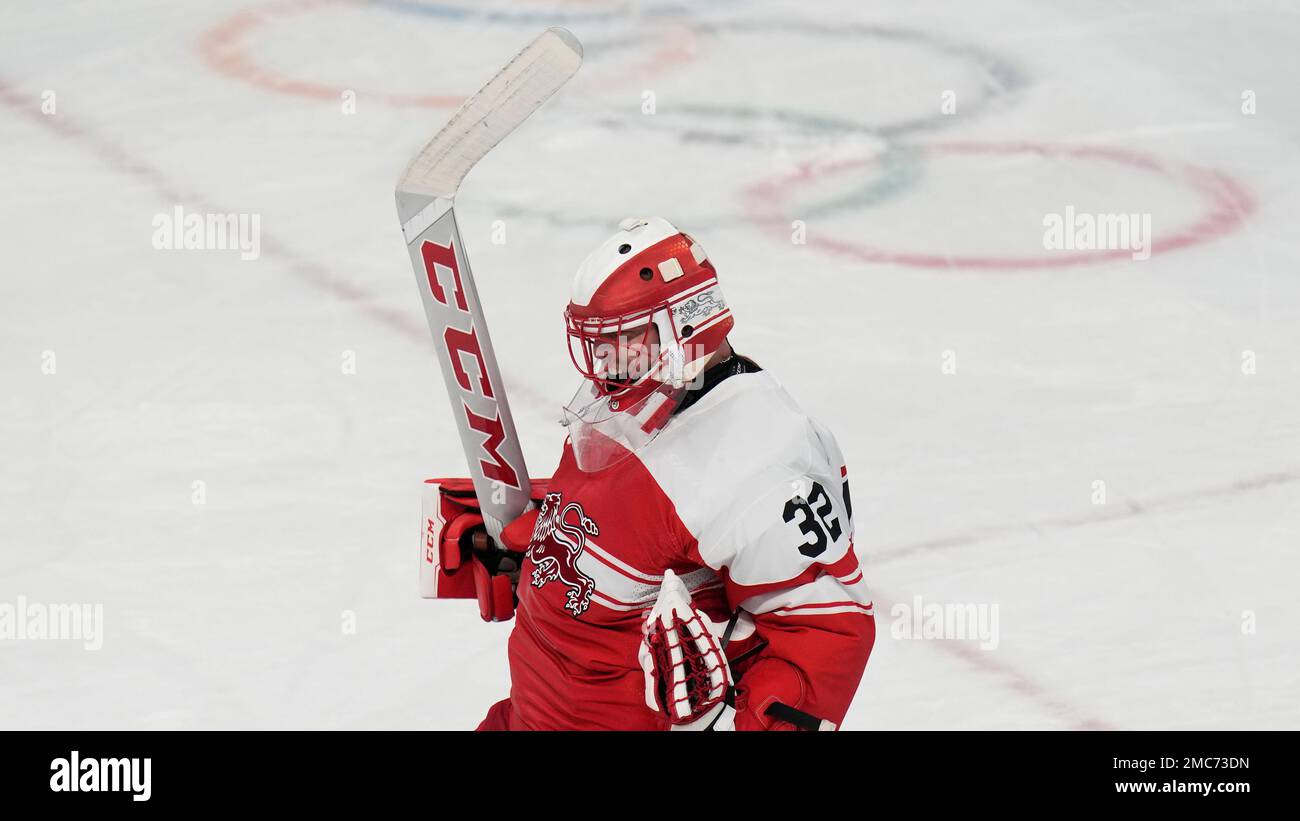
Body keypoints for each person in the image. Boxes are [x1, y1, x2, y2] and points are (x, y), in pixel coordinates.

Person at [433, 217, 874, 730]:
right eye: (599, 344)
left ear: (687, 325)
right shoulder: (635, 393)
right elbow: (632, 519)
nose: (604, 363)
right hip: (529, 715)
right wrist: (544, 556)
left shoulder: (763, 462)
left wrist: (728, 719)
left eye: (624, 340)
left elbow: (828, 633)